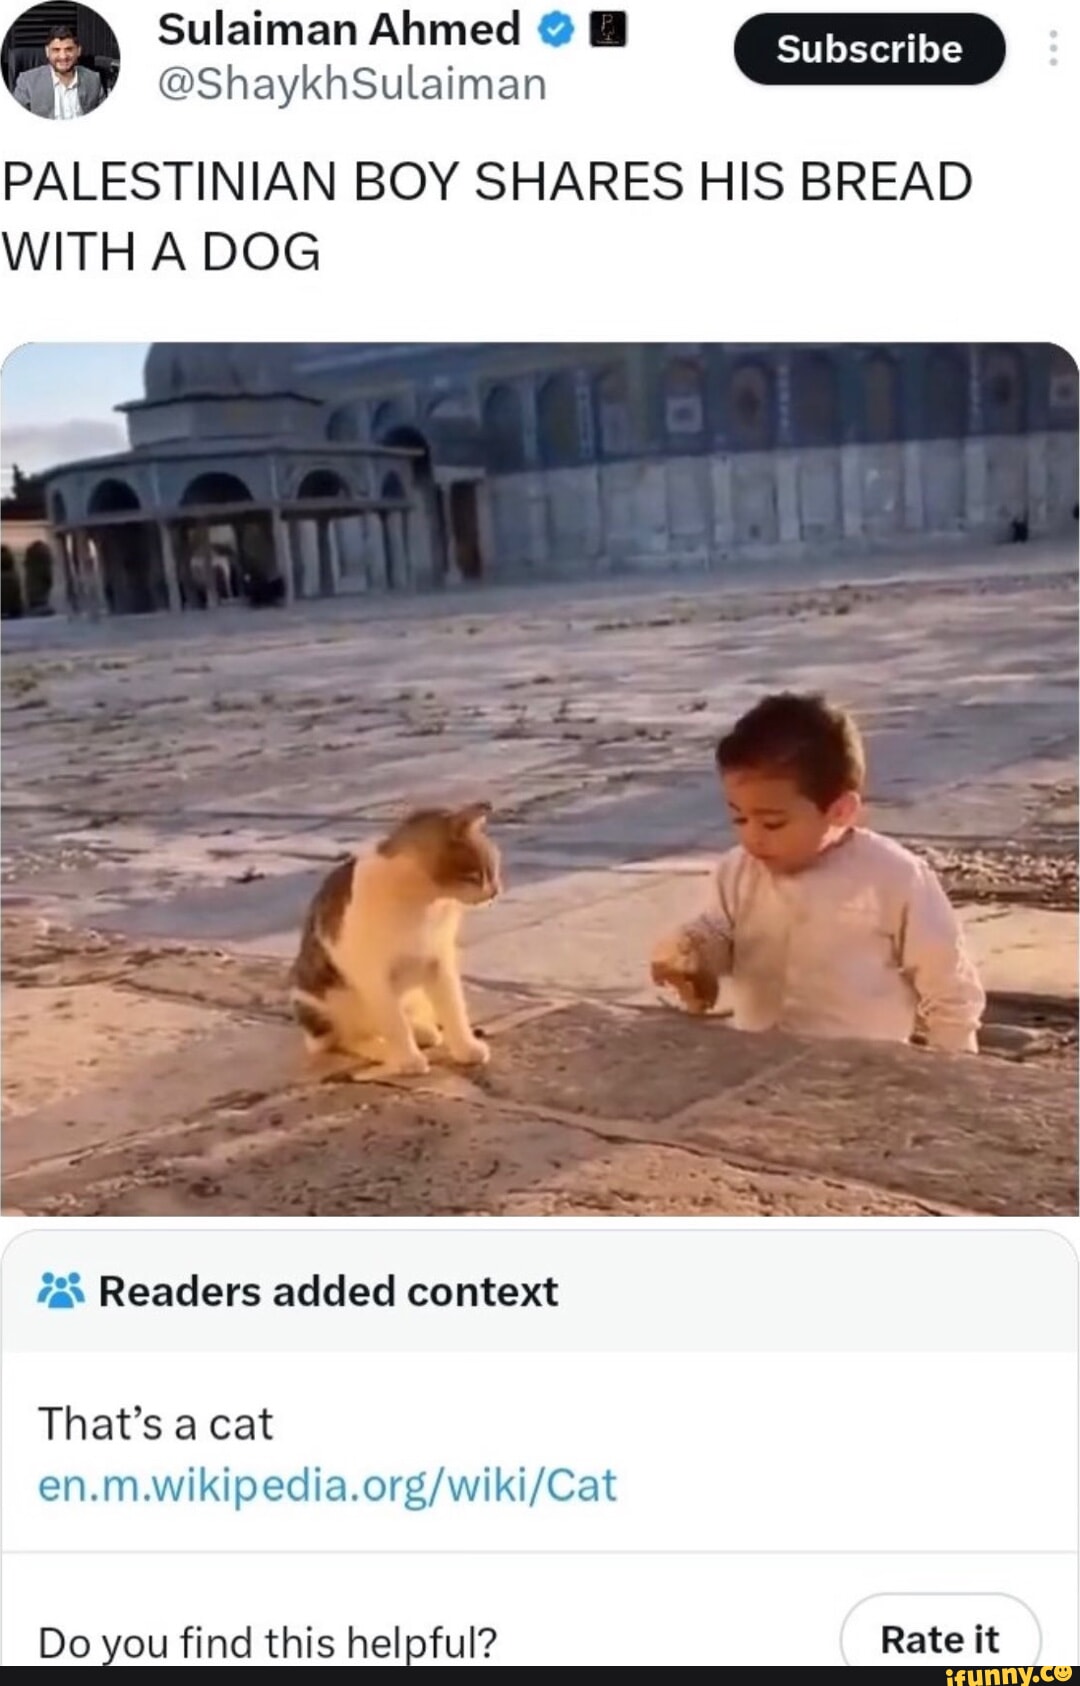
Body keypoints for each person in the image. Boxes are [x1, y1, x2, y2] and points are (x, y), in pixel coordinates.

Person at [650, 691, 986, 1052]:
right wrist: (693, 955)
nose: (752, 837)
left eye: (773, 823)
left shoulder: (893, 877)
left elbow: (949, 984)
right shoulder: (737, 871)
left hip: (861, 1071)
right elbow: (718, 932)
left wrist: (954, 1066)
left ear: (840, 811)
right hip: (754, 1060)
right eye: (739, 818)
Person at [12, 26, 104, 119]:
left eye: (69, 49)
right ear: (47, 52)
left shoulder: (93, 79)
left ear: (78, 51)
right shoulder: (27, 82)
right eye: (56, 50)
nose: (63, 56)